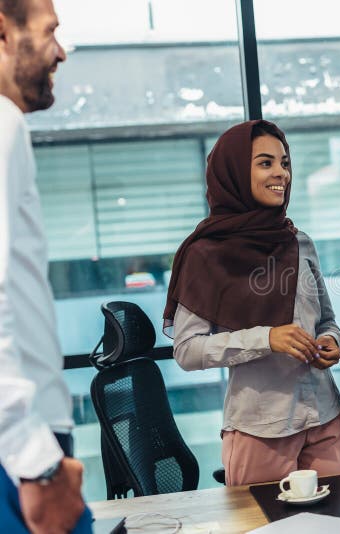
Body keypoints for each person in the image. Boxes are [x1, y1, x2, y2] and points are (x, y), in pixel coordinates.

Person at [165, 120, 340, 486]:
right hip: (261, 428)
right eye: (266, 163)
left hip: (325, 418)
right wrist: (266, 338)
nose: (281, 173)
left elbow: (326, 321)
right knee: (263, 519)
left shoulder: (299, 242)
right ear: (233, 172)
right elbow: (187, 351)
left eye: (284, 163)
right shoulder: (205, 254)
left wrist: (331, 341)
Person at [0, 0, 93, 532]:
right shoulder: (3, 122)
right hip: (22, 448)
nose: (60, 52)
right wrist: (36, 461)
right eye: (49, 31)